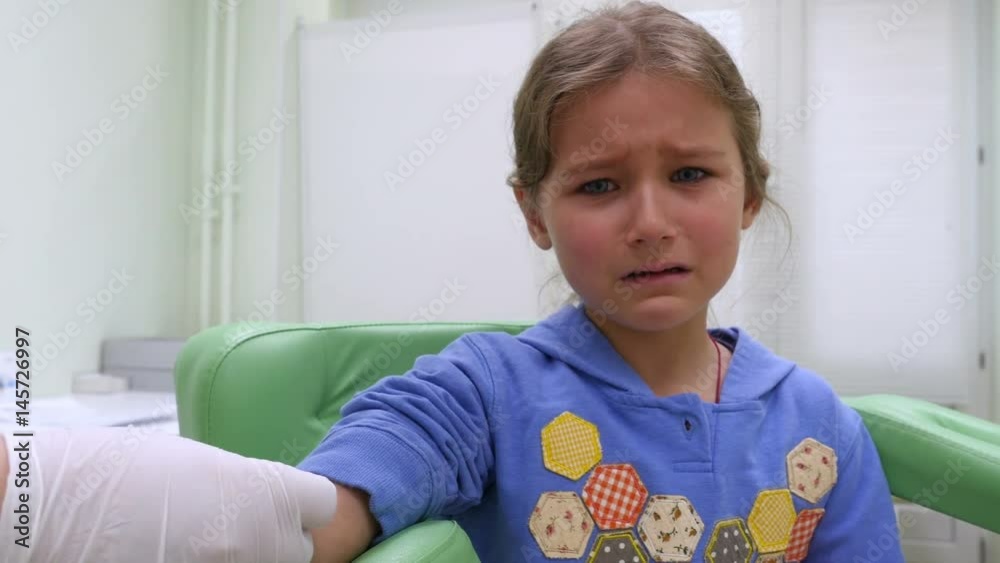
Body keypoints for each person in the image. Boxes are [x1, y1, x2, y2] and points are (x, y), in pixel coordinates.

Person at [302, 2, 905, 562]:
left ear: (750, 191)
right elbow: (334, 498)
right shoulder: (486, 395)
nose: (650, 224)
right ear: (535, 213)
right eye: (598, 185)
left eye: (690, 173)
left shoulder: (821, 430)